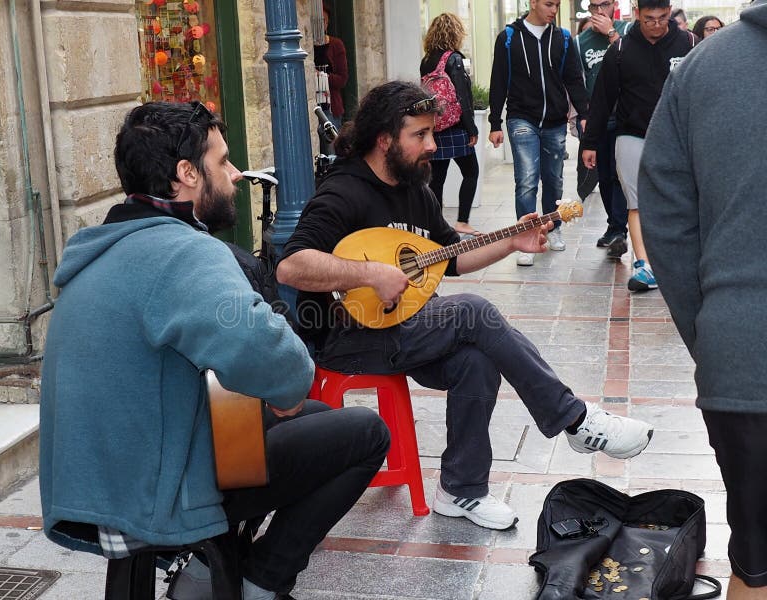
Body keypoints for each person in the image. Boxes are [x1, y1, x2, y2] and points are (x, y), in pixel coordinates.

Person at [38, 101, 390, 600]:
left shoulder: (106, 246)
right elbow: (285, 368)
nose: (235, 174)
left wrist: (274, 389)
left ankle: (212, 571)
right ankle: (259, 582)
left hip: (100, 485)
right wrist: (280, 386)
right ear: (187, 174)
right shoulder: (184, 253)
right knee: (366, 433)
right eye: (222, 162)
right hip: (154, 498)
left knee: (306, 417)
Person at [276, 81, 653, 532]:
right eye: (420, 135)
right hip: (350, 337)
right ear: (384, 139)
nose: (432, 146)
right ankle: (575, 419)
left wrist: (512, 242)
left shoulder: (416, 190)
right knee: (473, 312)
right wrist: (369, 274)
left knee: (476, 359)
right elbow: (291, 267)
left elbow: (449, 259)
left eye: (431, 133)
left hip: (409, 326)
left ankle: (461, 489)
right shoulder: (344, 192)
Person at [639, 2, 767, 597]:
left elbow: (666, 221)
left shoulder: (702, 66)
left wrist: (713, 326)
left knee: (756, 563)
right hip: (739, 355)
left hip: (740, 357)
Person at [581, 0, 696, 292]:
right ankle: (644, 266)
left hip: (677, 139)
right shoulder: (621, 49)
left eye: (662, 18)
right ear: (637, 14)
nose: (656, 25)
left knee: (678, 202)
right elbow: (602, 99)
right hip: (631, 134)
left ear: (670, 11)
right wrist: (590, 142)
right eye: (649, 19)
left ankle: (675, 262)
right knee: (636, 203)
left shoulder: (689, 44)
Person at [488, 0, 590, 266]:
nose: (554, 10)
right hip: (522, 117)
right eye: (548, 4)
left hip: (555, 121)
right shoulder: (509, 38)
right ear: (533, 3)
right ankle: (526, 237)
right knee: (527, 180)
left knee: (553, 180)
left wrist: (584, 113)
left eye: (557, 5)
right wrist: (495, 122)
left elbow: (573, 79)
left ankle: (553, 229)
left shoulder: (563, 39)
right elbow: (498, 80)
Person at [574, 0, 632, 258]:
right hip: (598, 117)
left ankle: (619, 229)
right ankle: (614, 226)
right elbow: (577, 81)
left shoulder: (627, 31)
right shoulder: (580, 41)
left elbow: (631, 63)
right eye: (593, 6)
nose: (598, 11)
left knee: (619, 174)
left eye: (604, 4)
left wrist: (611, 33)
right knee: (605, 175)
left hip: (626, 115)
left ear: (614, 4)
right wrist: (583, 115)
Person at [420, 12, 481, 236]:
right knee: (471, 172)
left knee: (437, 179)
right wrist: (471, 128)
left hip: (435, 126)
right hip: (455, 127)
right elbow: (462, 96)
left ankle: (435, 225)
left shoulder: (426, 60)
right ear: (455, 33)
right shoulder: (453, 58)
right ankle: (462, 221)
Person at [313, 6, 348, 131]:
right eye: (315, 21)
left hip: (330, 108)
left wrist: (321, 76)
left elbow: (342, 79)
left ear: (327, 23)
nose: (319, 25)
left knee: (331, 140)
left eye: (323, 21)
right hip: (311, 105)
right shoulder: (304, 45)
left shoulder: (336, 45)